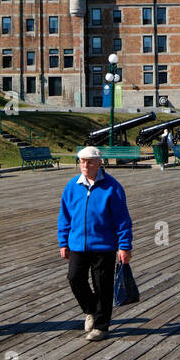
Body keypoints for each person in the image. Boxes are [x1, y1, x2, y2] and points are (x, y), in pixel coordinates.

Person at [58, 146, 132, 342]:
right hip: (77, 245)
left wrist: (124, 246)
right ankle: (91, 309)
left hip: (104, 246)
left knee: (103, 287)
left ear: (99, 163)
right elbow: (64, 217)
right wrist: (63, 242)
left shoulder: (112, 188)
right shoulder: (72, 186)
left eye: (89, 162)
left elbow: (123, 220)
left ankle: (101, 326)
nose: (85, 165)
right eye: (82, 161)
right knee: (75, 279)